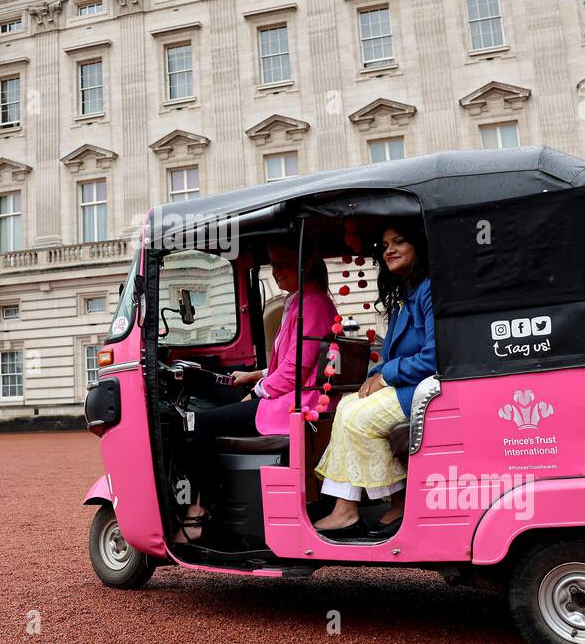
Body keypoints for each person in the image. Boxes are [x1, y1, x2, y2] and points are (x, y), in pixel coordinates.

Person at [174, 239, 337, 543]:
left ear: (306, 263)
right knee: (221, 409)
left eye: (282, 263)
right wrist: (255, 375)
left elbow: (296, 369)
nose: (276, 271)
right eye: (273, 264)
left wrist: (258, 391)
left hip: (297, 402)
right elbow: (291, 362)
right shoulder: (303, 301)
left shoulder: (312, 303)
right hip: (294, 395)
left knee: (204, 423)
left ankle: (198, 513)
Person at [313, 223, 435, 540]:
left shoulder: (429, 290)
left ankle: (401, 501)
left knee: (359, 418)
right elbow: (391, 354)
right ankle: (345, 508)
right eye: (385, 245)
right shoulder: (405, 294)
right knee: (346, 407)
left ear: (418, 247)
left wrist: (386, 377)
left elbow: (434, 358)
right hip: (408, 384)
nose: (389, 250)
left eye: (399, 242)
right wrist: (373, 378)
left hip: (427, 388)